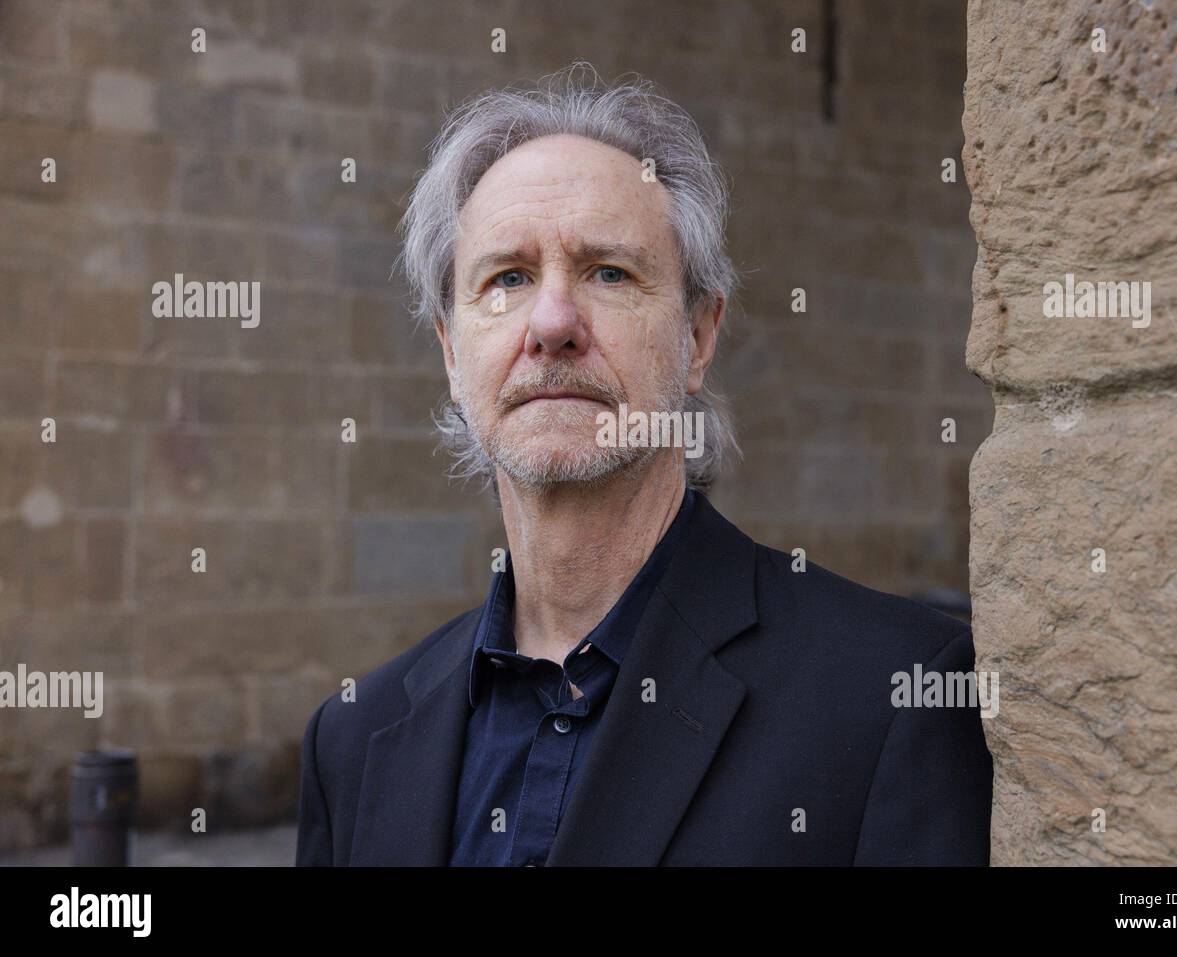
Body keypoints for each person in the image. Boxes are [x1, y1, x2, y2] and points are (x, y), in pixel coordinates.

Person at [295, 62, 992, 867]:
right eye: (508, 277)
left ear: (698, 337)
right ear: (452, 352)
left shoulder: (891, 694)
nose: (552, 322)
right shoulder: (352, 741)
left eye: (609, 273)